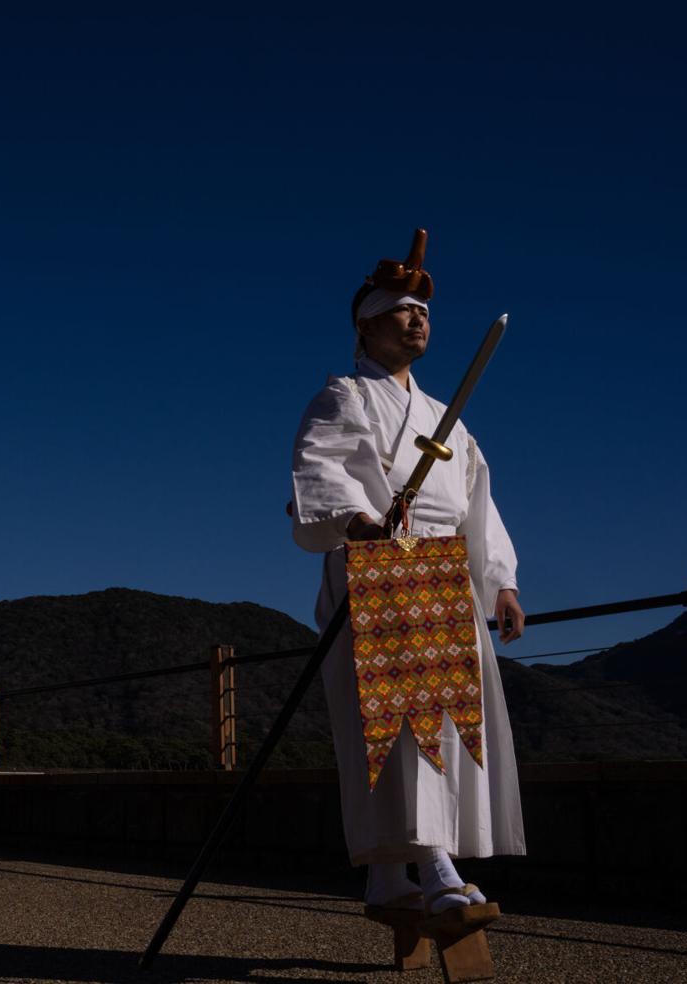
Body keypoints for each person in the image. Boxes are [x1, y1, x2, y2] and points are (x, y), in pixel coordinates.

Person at [289, 234, 526, 924]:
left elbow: (476, 503)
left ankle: (391, 880)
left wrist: (500, 580)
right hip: (380, 570)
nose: (417, 320)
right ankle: (436, 866)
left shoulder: (446, 420)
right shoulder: (345, 396)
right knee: (396, 727)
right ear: (366, 324)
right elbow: (320, 469)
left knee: (446, 724)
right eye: (400, 311)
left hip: (442, 573)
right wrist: (356, 521)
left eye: (423, 313)